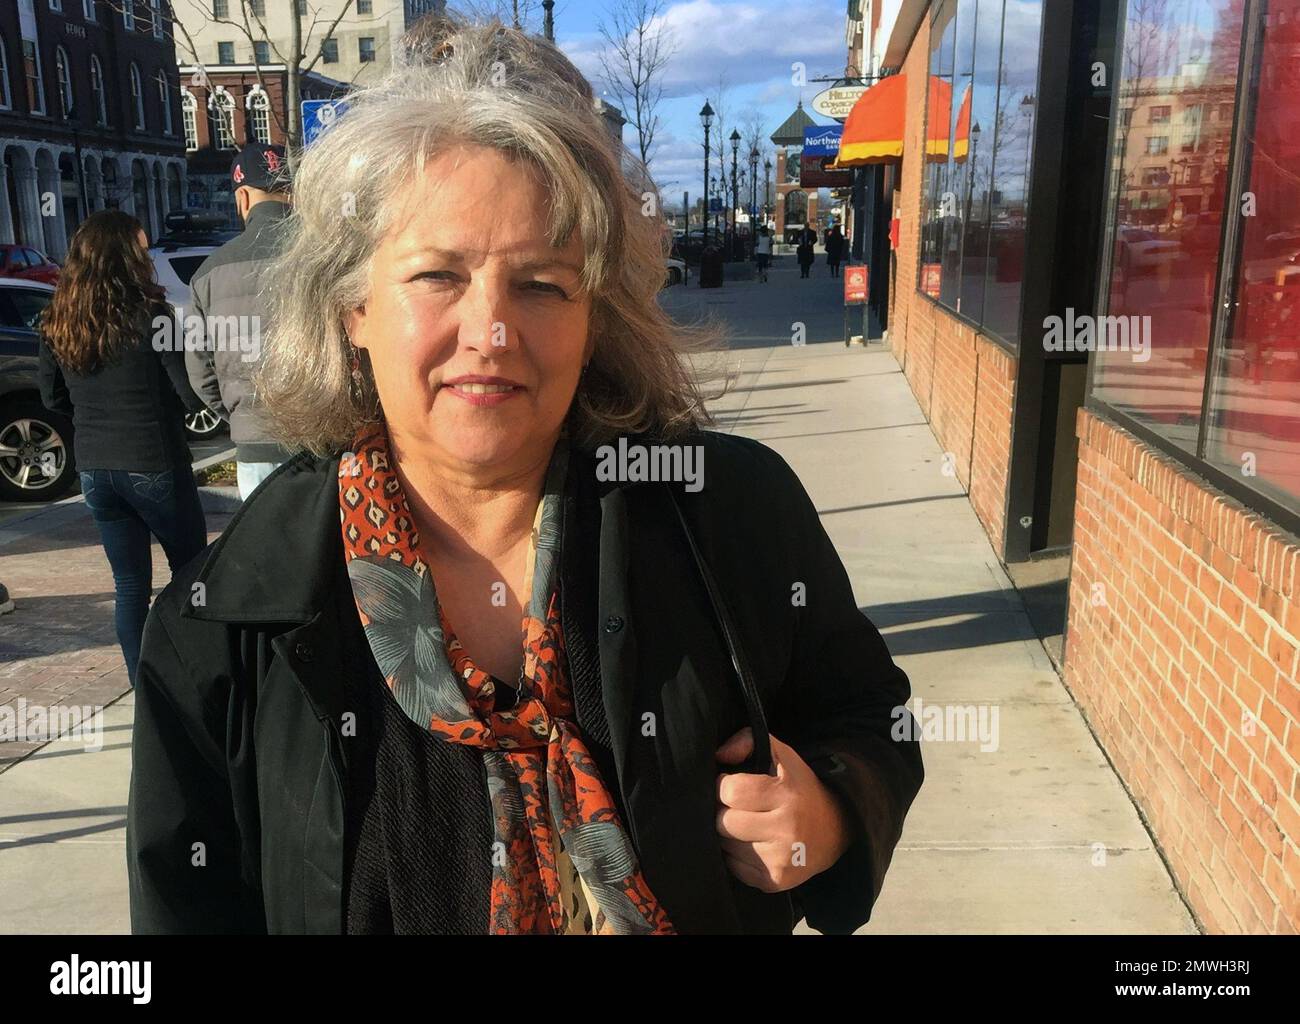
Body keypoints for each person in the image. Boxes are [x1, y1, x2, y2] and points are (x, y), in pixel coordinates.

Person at [126, 13, 923, 936]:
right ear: (353, 306)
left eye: (543, 283)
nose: (491, 333)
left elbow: (871, 717)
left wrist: (829, 813)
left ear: (598, 314)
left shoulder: (729, 516)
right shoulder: (226, 619)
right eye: (437, 276)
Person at [38, 211, 209, 686]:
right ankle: (193, 676)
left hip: (95, 466)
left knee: (130, 586)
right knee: (191, 574)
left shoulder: (57, 318)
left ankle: (144, 687)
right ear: (124, 256)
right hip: (153, 458)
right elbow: (186, 392)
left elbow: (51, 396)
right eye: (141, 248)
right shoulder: (153, 313)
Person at [185, 142, 296, 500]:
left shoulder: (208, 273)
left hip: (255, 443)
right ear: (292, 194)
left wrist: (240, 414)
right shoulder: (328, 254)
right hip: (325, 441)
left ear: (242, 198)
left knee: (265, 551)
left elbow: (201, 373)